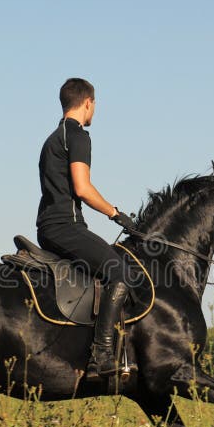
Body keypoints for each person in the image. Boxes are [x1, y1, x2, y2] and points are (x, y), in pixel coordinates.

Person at [36, 78, 137, 379]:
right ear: (88, 102)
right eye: (95, 104)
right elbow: (82, 188)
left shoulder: (52, 139)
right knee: (120, 273)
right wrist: (115, 214)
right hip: (64, 226)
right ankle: (101, 356)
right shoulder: (77, 136)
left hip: (49, 225)